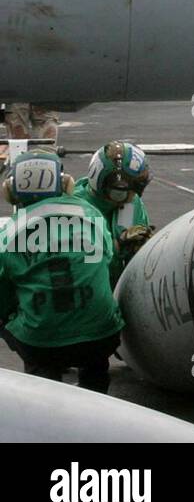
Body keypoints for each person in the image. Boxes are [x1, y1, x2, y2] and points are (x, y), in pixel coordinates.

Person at [0, 150, 123, 393]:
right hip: (100, 338)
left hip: (42, 345)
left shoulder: (9, 234)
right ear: (65, 183)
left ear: (12, 192)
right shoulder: (91, 215)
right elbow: (110, 264)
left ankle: (42, 381)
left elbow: (2, 294)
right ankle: (96, 386)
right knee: (96, 333)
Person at [74, 140, 154, 286]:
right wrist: (118, 246)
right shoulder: (76, 210)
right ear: (112, 190)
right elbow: (81, 264)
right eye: (129, 190)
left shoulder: (132, 202)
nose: (133, 195)